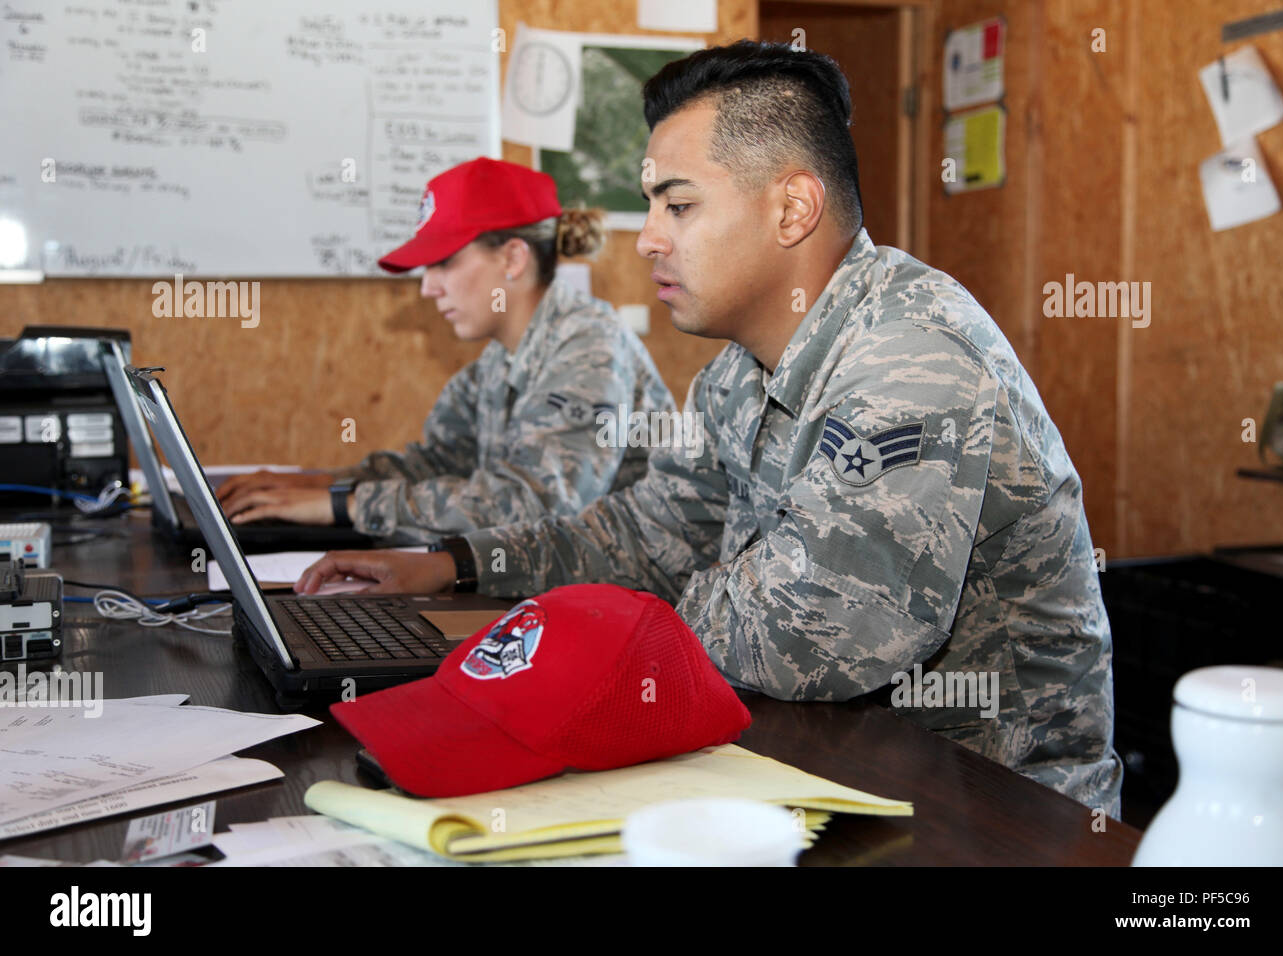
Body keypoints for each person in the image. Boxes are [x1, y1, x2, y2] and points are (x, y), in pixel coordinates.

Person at [297, 43, 1123, 817]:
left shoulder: (911, 353)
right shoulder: (736, 370)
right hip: (826, 763)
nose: (649, 239)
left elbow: (807, 636)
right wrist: (455, 563)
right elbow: (648, 533)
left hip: (993, 810)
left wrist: (594, 622)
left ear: (793, 207)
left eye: (678, 205)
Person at [218, 157, 675, 542]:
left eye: (443, 262)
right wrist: (316, 484)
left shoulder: (590, 347)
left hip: (630, 614)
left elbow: (536, 506)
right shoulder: (502, 356)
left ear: (513, 259)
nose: (428, 288)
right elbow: (437, 463)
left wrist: (346, 505)